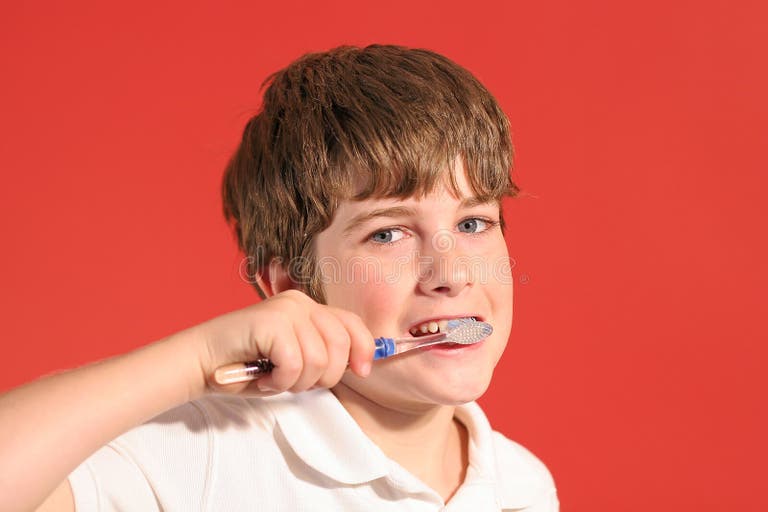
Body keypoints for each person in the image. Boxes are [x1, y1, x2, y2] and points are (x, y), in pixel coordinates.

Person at [0, 44, 558, 511]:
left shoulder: (522, 486)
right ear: (293, 287)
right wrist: (197, 359)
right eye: (388, 234)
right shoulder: (203, 455)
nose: (453, 272)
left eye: (473, 222)